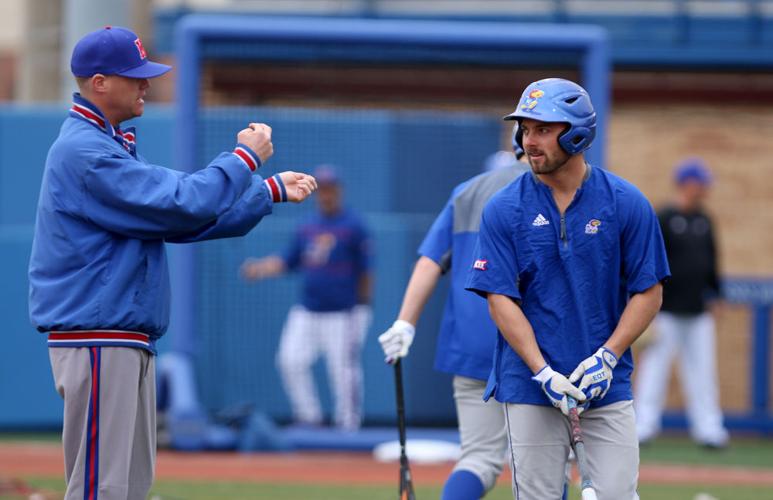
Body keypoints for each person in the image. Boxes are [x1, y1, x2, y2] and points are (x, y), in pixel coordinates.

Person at [28, 26, 317, 500]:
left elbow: (181, 220)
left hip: (119, 335)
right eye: (134, 75)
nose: (146, 84)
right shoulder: (85, 151)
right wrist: (244, 157)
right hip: (99, 335)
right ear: (99, 82)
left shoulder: (106, 143)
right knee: (103, 490)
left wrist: (265, 192)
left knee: (126, 490)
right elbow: (182, 202)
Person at [465, 77, 670, 500]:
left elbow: (648, 291)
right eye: (525, 129)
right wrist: (542, 371)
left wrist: (607, 358)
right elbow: (500, 299)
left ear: (576, 132)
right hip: (528, 384)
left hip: (606, 385)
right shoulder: (504, 208)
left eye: (542, 129)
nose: (529, 140)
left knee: (615, 495)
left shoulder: (626, 202)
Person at [378, 141, 529, 500]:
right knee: (545, 467)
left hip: (472, 348)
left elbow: (429, 261)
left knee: (478, 461)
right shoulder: (556, 187)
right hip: (534, 349)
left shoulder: (467, 191)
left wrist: (404, 323)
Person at [241, 165, 372, 431]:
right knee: (289, 360)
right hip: (308, 309)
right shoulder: (307, 226)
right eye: (321, 189)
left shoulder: (354, 225)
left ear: (339, 190)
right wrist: (261, 268)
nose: (326, 194)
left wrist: (362, 308)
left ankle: (348, 425)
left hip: (343, 312)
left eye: (330, 188)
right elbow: (289, 261)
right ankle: (308, 416)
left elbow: (367, 271)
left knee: (343, 371)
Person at [634, 159, 729, 449]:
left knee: (702, 371)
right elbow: (650, 261)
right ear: (687, 183)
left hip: (698, 309)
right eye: (701, 182)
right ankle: (643, 427)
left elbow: (712, 259)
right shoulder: (664, 217)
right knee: (655, 369)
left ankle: (709, 431)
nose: (705, 188)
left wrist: (716, 294)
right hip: (665, 311)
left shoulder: (704, 219)